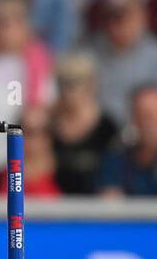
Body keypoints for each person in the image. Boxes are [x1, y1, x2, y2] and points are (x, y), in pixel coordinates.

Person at [91, 0, 157, 124]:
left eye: (126, 18)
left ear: (142, 18)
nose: (119, 25)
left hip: (141, 129)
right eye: (113, 18)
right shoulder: (89, 54)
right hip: (100, 129)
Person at [98, 84, 157, 199]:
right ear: (133, 117)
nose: (150, 121)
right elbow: (111, 201)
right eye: (143, 114)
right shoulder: (115, 161)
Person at [48, 53, 119, 195]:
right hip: (53, 203)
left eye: (73, 83)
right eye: (61, 83)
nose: (66, 90)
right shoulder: (47, 126)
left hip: (94, 204)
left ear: (91, 85)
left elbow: (114, 177)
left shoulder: (108, 128)